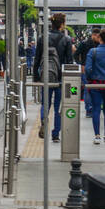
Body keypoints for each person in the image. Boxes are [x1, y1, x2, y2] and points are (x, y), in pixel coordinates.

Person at [37, 13, 71, 143]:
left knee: (45, 103)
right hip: (60, 78)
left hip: (46, 76)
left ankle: (44, 121)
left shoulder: (42, 38)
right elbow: (69, 61)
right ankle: (56, 133)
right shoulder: (66, 40)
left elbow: (37, 59)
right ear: (62, 24)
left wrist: (36, 76)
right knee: (58, 106)